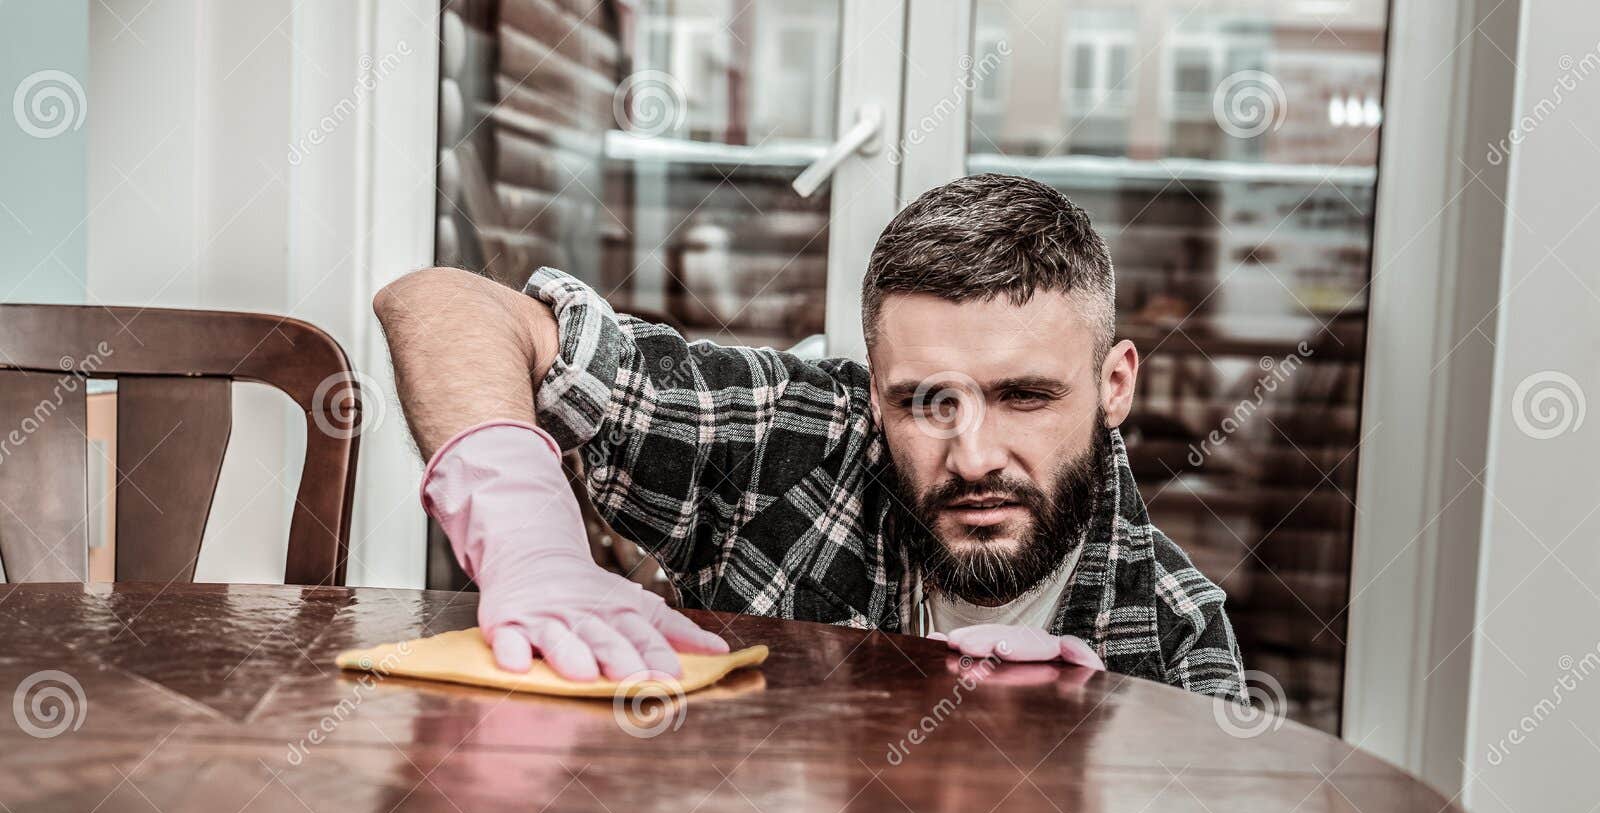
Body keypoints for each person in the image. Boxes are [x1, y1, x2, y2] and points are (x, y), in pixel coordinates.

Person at [375, 173, 1244, 700]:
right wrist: (531, 544)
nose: (974, 456)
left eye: (1025, 397)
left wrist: (1089, 743)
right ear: (873, 393)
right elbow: (439, 304)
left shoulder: (1173, 637)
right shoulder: (791, 437)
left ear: (1114, 384)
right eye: (925, 402)